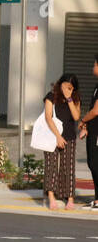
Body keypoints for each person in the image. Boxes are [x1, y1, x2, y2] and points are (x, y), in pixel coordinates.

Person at [42, 72, 83, 210]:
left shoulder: (75, 98)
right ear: (60, 84)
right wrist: (58, 136)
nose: (67, 89)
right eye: (65, 86)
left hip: (69, 137)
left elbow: (76, 116)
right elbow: (48, 117)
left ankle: (70, 199)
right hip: (52, 136)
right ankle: (51, 197)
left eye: (70, 88)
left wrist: (69, 98)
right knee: (51, 167)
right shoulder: (51, 96)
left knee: (68, 169)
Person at [77, 54, 98, 208]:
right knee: (92, 163)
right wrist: (86, 126)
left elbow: (96, 110)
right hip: (93, 129)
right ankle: (97, 198)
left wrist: (83, 120)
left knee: (95, 163)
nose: (93, 67)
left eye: (95, 64)